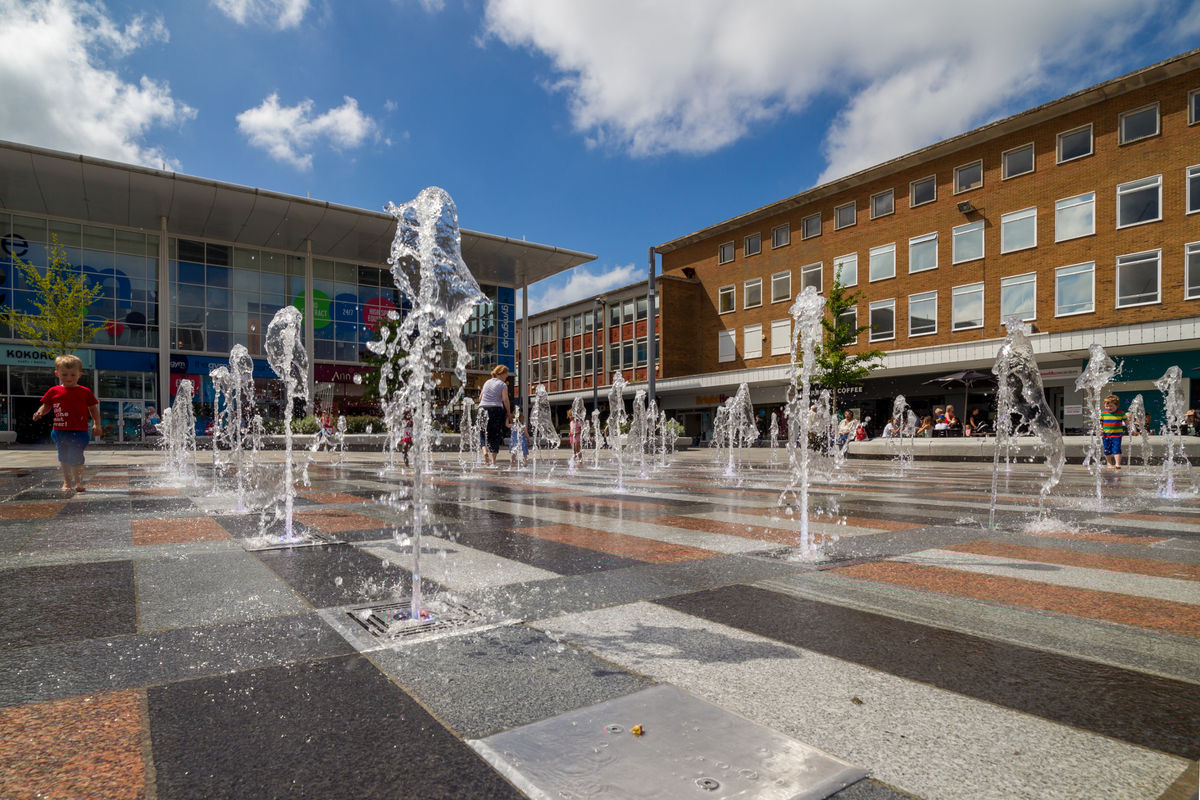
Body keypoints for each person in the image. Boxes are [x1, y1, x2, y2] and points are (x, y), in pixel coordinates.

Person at [33, 354, 101, 493]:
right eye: (64, 374)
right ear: (57, 374)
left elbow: (93, 409)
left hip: (79, 430)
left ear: (79, 374)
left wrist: (97, 424)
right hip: (59, 431)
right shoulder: (54, 391)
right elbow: (46, 406)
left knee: (76, 456)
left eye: (73, 375)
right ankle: (67, 481)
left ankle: (78, 482)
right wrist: (40, 412)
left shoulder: (84, 392)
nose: (69, 378)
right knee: (63, 457)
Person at [477, 365, 512, 467]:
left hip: (482, 408)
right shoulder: (502, 384)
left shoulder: (487, 382)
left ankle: (484, 450)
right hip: (495, 409)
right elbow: (505, 399)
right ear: (502, 373)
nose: (507, 376)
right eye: (506, 374)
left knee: (482, 433)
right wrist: (508, 412)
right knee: (495, 435)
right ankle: (493, 461)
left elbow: (480, 398)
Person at [1100, 393, 1125, 469]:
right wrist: (1100, 428)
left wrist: (1132, 430)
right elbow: (1099, 423)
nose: (1109, 407)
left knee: (1117, 448)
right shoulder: (1103, 414)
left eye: (1111, 406)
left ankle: (1117, 464)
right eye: (1107, 406)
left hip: (1117, 435)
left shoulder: (1121, 413)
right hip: (1106, 435)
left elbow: (1127, 422)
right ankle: (1109, 463)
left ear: (1116, 406)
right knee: (1107, 449)